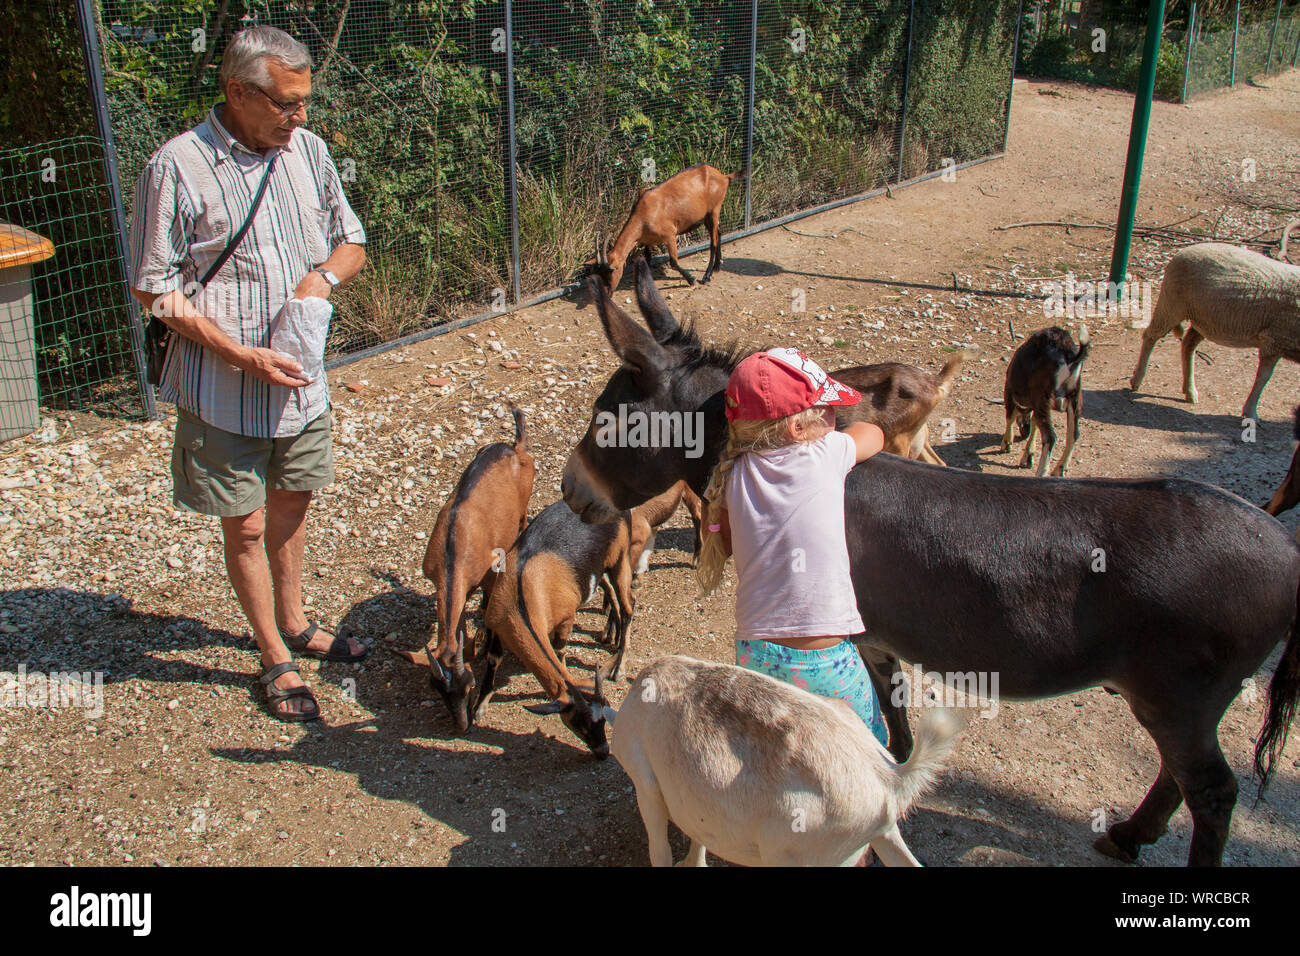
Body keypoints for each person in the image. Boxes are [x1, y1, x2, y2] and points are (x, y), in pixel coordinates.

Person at [127, 26, 368, 721]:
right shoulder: (175, 167)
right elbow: (152, 288)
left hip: (302, 380)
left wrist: (323, 277)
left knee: (295, 500)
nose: (299, 120)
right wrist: (236, 353)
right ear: (237, 91)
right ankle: (273, 653)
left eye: (304, 104)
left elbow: (351, 240)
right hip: (224, 389)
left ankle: (295, 620)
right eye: (285, 105)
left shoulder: (309, 153)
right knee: (248, 527)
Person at [696, 347, 889, 745]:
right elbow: (875, 434)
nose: (836, 417)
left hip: (756, 656)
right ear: (797, 430)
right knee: (869, 751)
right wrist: (843, 432)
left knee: (776, 753)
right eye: (828, 409)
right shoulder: (822, 454)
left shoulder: (731, 476)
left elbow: (723, 539)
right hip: (823, 660)